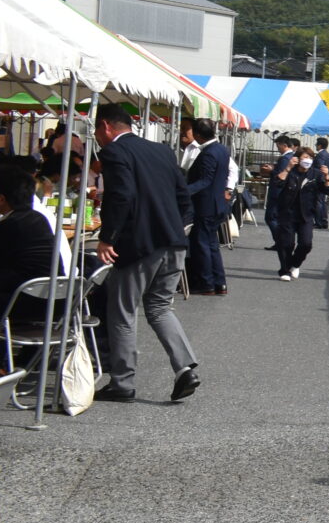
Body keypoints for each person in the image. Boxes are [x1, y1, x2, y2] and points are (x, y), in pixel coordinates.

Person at [91, 103, 198, 403]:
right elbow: (182, 196)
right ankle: (185, 367)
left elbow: (120, 195)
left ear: (106, 126)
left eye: (97, 131)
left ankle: (122, 383)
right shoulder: (163, 151)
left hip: (138, 245)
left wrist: (107, 237)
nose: (97, 138)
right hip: (173, 241)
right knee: (161, 308)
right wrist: (178, 226)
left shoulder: (113, 153)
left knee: (123, 312)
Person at [0, 163, 57, 332]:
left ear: (2, 198)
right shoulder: (38, 219)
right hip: (52, 300)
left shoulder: (9, 224)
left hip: (21, 304)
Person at [181, 119, 232, 295]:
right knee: (212, 245)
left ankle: (206, 283)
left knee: (202, 244)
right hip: (217, 203)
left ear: (197, 135)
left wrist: (183, 191)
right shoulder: (222, 150)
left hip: (206, 205)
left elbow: (205, 181)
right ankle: (220, 283)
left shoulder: (208, 153)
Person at [271, 144, 320, 281]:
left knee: (306, 243)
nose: (308, 160)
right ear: (297, 158)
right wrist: (288, 167)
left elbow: (326, 189)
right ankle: (284, 270)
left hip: (307, 214)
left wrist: (327, 177)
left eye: (310, 157)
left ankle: (295, 264)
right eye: (305, 157)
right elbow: (277, 183)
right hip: (288, 213)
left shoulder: (315, 174)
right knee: (287, 243)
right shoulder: (290, 172)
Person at [312, 138, 329, 229]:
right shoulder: (328, 155)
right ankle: (324, 221)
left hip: (319, 181)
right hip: (325, 179)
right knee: (323, 201)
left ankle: (319, 222)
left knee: (318, 202)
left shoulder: (320, 155)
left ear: (319, 145)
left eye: (316, 144)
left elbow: (320, 167)